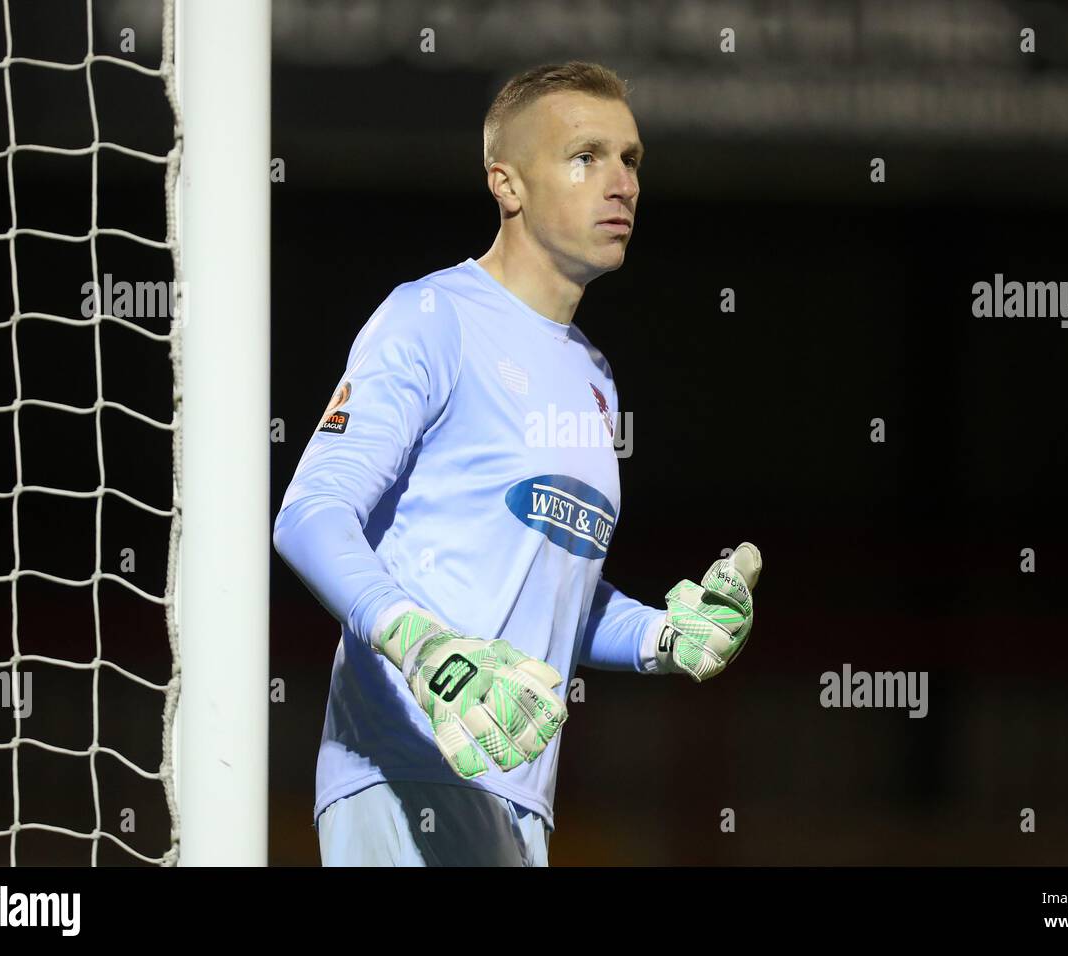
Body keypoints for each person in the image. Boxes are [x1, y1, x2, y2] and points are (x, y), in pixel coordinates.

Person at [274, 60, 761, 866]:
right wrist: (427, 649)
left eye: (631, 160)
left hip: (518, 796)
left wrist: (664, 637)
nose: (620, 184)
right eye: (586, 156)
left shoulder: (594, 377)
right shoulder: (432, 316)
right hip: (406, 773)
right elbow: (309, 516)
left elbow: (557, 583)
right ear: (507, 184)